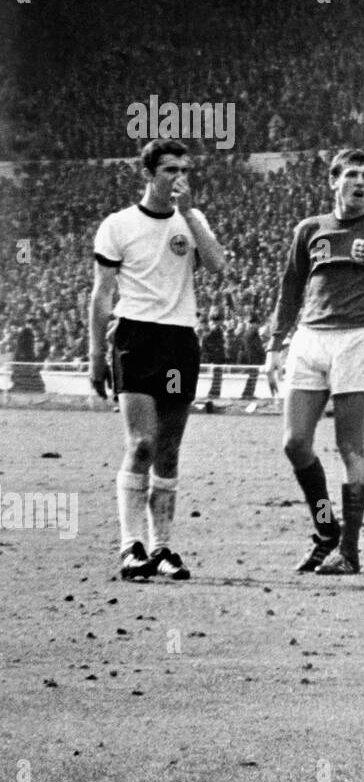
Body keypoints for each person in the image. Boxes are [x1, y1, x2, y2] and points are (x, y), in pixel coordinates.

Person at [266, 148, 364, 576]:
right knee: (295, 443)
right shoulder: (309, 230)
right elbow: (290, 290)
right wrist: (275, 345)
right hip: (309, 338)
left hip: (355, 340)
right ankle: (325, 532)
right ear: (333, 181)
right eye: (352, 175)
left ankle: (349, 552)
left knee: (350, 447)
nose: (360, 182)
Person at [89, 139, 228, 581]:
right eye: (170, 170)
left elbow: (219, 264)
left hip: (177, 345)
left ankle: (162, 548)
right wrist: (95, 353)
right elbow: (102, 292)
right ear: (148, 174)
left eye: (184, 169)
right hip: (136, 339)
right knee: (142, 444)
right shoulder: (118, 225)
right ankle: (131, 546)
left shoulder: (192, 221)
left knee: (167, 450)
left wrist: (189, 215)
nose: (179, 177)